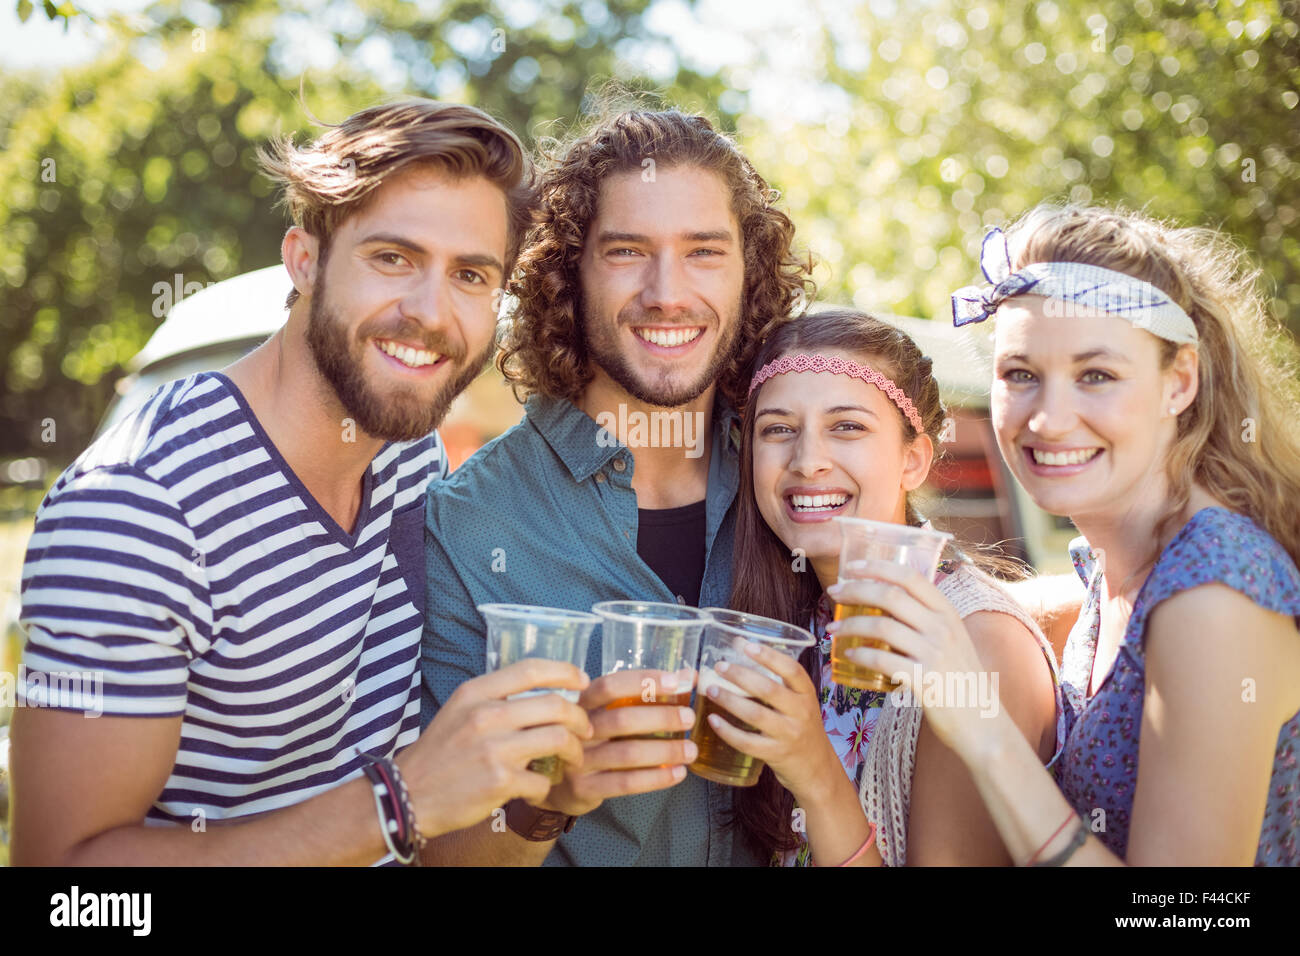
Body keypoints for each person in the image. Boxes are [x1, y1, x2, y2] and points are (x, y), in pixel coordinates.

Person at [9, 100, 592, 866]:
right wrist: (397, 802)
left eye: (471, 275)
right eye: (393, 258)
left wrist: (536, 801)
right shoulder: (135, 513)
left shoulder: (404, 460)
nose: (430, 313)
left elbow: (424, 833)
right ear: (304, 259)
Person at [836, 203, 1300, 865]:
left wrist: (984, 731)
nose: (1050, 419)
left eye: (1096, 376)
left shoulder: (1216, 592)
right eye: (1020, 374)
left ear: (1180, 381)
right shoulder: (1114, 566)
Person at [419, 104, 816, 865]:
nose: (668, 293)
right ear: (568, 274)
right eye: (627, 251)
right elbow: (438, 853)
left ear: (749, 271)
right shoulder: (466, 527)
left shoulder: (797, 483)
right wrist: (552, 799)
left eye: (704, 252)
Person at [701, 308, 1062, 865]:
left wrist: (815, 772)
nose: (808, 461)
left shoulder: (980, 646)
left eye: (847, 426)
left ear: (913, 460)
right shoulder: (798, 622)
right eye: (778, 429)